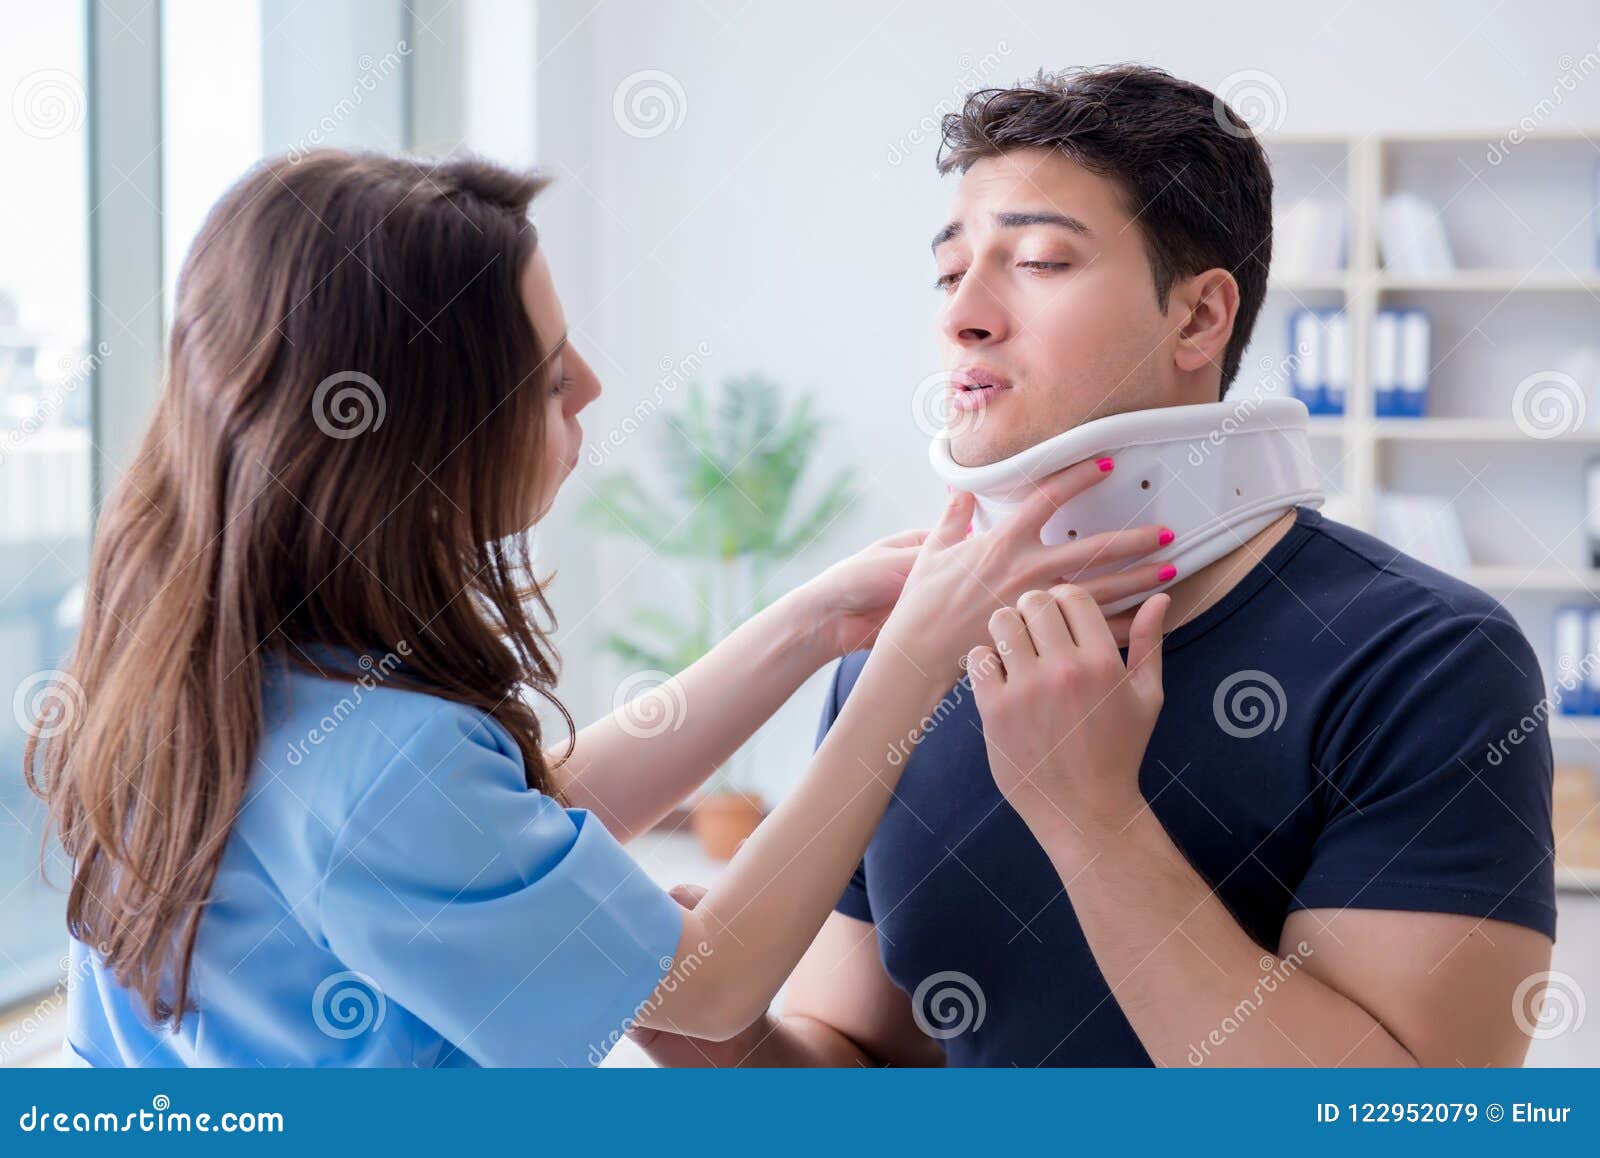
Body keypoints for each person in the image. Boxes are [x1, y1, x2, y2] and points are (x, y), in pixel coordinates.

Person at [24, 150, 1173, 1067]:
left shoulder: (205, 685)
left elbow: (503, 823)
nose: (591, 386)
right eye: (546, 368)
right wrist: (911, 660)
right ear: (421, 430)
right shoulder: (381, 764)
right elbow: (711, 992)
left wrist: (814, 622)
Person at [633, 65, 1557, 1069]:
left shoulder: (1422, 662)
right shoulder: (901, 660)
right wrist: (704, 1032)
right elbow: (860, 1066)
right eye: (950, 273)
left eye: (1034, 260)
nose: (963, 316)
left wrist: (1091, 817)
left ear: (1198, 319)